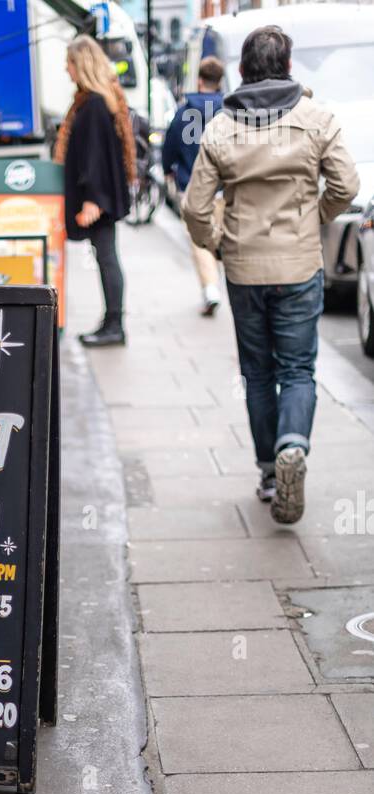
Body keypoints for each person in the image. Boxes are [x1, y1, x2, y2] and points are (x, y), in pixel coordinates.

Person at [183, 25, 358, 523]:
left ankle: (267, 471)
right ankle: (293, 444)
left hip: (243, 266)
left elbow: (195, 207)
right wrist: (316, 217)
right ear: (287, 67)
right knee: (297, 369)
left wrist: (215, 243)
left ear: (242, 70)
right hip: (300, 263)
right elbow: (346, 184)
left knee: (258, 373)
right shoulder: (317, 117)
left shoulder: (219, 128)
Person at [55, 35, 137, 348]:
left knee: (106, 257)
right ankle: (111, 321)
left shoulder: (93, 105)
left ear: (82, 64)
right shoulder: (99, 100)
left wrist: (92, 199)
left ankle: (114, 325)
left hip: (98, 198)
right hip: (104, 196)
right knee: (106, 257)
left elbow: (94, 156)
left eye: (69, 63)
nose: (66, 69)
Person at [162, 55, 224, 316]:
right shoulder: (230, 110)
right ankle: (227, 284)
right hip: (224, 187)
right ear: (219, 81)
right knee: (223, 237)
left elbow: (170, 145)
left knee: (200, 241)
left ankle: (211, 289)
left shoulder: (185, 110)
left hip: (194, 186)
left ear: (199, 80)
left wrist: (168, 171)